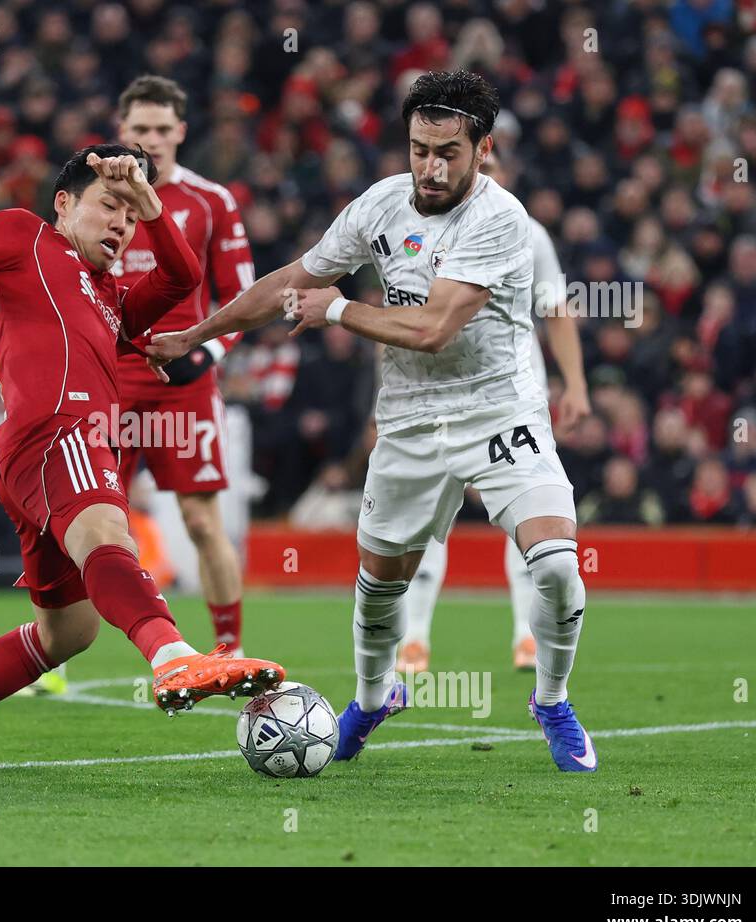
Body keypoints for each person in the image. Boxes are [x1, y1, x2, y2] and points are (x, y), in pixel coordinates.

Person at [151, 71, 596, 773]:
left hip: (500, 410)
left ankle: (551, 699)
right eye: (420, 148)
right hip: (411, 421)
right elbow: (290, 280)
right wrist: (194, 335)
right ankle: (372, 694)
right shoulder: (381, 204)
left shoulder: (503, 219)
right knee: (380, 581)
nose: (430, 166)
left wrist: (333, 309)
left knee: (559, 568)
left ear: (483, 149)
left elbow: (433, 330)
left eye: (448, 152)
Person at [0, 145, 286, 766]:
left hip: (40, 454)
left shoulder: (109, 294)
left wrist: (147, 200)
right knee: (110, 532)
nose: (122, 224)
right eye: (108, 206)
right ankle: (173, 657)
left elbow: (184, 280)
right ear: (63, 203)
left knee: (67, 633)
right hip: (58, 432)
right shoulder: (22, 234)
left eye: (130, 217)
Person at [395, 146, 592, 674]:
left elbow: (556, 308)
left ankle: (527, 637)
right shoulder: (421, 232)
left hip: (509, 401)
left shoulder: (527, 232)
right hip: (431, 399)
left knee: (526, 513)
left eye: (494, 167)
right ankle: (414, 637)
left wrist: (574, 384)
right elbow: (397, 323)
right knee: (427, 516)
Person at [112, 76, 255, 656]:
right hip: (110, 381)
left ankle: (231, 651)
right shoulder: (95, 196)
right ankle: (57, 649)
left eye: (162, 130)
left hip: (183, 384)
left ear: (181, 133)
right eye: (140, 129)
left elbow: (243, 298)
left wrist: (209, 352)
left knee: (201, 522)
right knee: (92, 524)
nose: (151, 139)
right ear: (121, 132)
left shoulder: (210, 202)